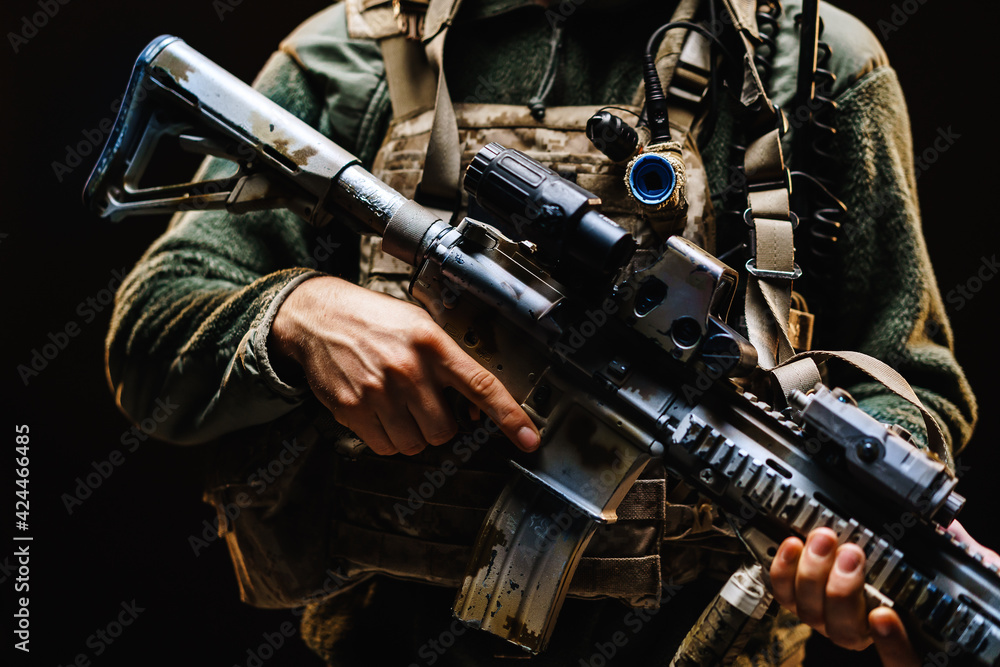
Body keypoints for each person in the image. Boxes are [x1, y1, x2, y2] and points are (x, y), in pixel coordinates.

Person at [104, 0, 990, 664]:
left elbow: (909, 378)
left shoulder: (810, 62)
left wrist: (856, 519)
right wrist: (298, 314)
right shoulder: (356, 53)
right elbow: (152, 331)